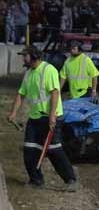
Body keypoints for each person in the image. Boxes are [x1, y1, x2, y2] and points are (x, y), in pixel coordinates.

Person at [7, 46, 78, 191]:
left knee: (54, 150)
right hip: (35, 118)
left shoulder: (48, 70)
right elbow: (21, 94)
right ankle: (36, 181)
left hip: (50, 118)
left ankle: (71, 180)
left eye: (25, 56)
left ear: (33, 56)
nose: (23, 59)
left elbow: (55, 93)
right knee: (30, 150)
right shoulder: (28, 73)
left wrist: (52, 116)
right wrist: (13, 113)